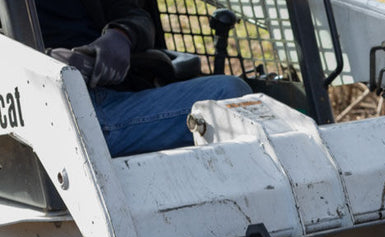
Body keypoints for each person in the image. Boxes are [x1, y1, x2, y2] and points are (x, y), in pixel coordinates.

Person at [36, 0, 252, 156]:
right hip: (66, 112)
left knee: (235, 100)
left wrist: (122, 35)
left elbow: (135, 16)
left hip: (118, 96)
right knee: (229, 98)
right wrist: (48, 61)